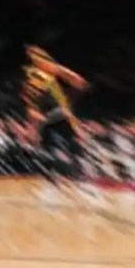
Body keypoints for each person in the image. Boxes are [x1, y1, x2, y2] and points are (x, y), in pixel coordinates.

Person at [20, 45, 96, 204]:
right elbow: (77, 81)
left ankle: (67, 181)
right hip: (55, 115)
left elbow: (76, 81)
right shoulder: (39, 76)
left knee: (57, 150)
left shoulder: (37, 76)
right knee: (64, 149)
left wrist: (31, 128)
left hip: (53, 115)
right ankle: (74, 181)